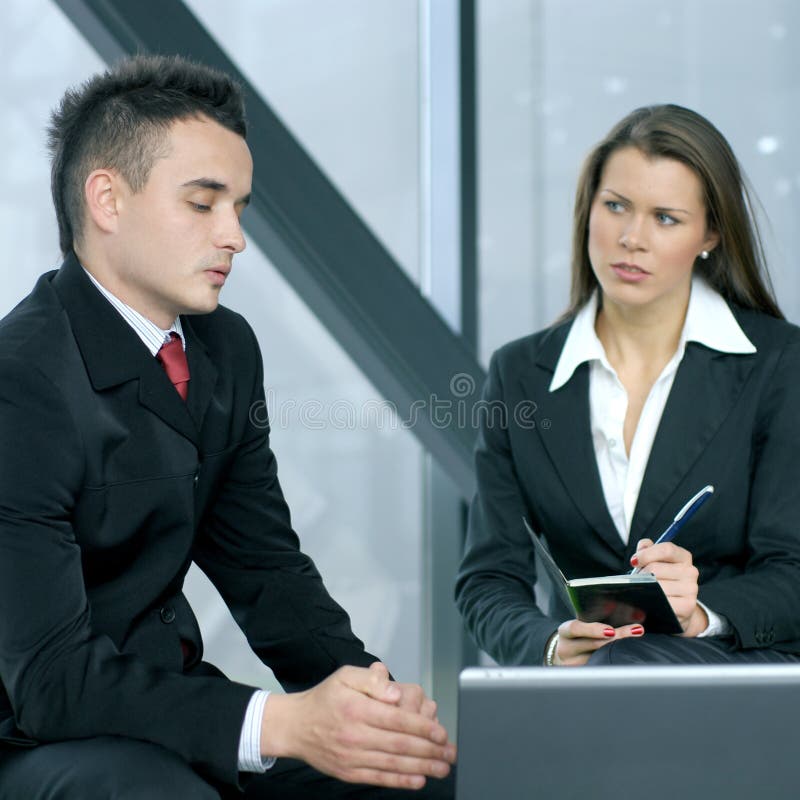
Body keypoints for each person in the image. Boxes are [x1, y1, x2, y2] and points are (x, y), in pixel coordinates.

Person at [0, 55, 455, 799]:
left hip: (170, 711)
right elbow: (50, 680)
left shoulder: (222, 347)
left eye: (240, 207)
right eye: (204, 204)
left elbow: (268, 573)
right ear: (107, 200)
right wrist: (284, 724)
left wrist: (377, 710)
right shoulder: (18, 381)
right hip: (33, 734)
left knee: (419, 782)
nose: (235, 237)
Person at [456, 103, 800, 669]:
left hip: (732, 684)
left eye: (666, 218)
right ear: (588, 210)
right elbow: (489, 578)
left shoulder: (778, 365)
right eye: (615, 206)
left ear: (711, 233)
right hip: (588, 687)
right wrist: (548, 644)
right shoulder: (520, 374)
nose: (631, 238)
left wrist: (700, 612)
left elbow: (791, 571)